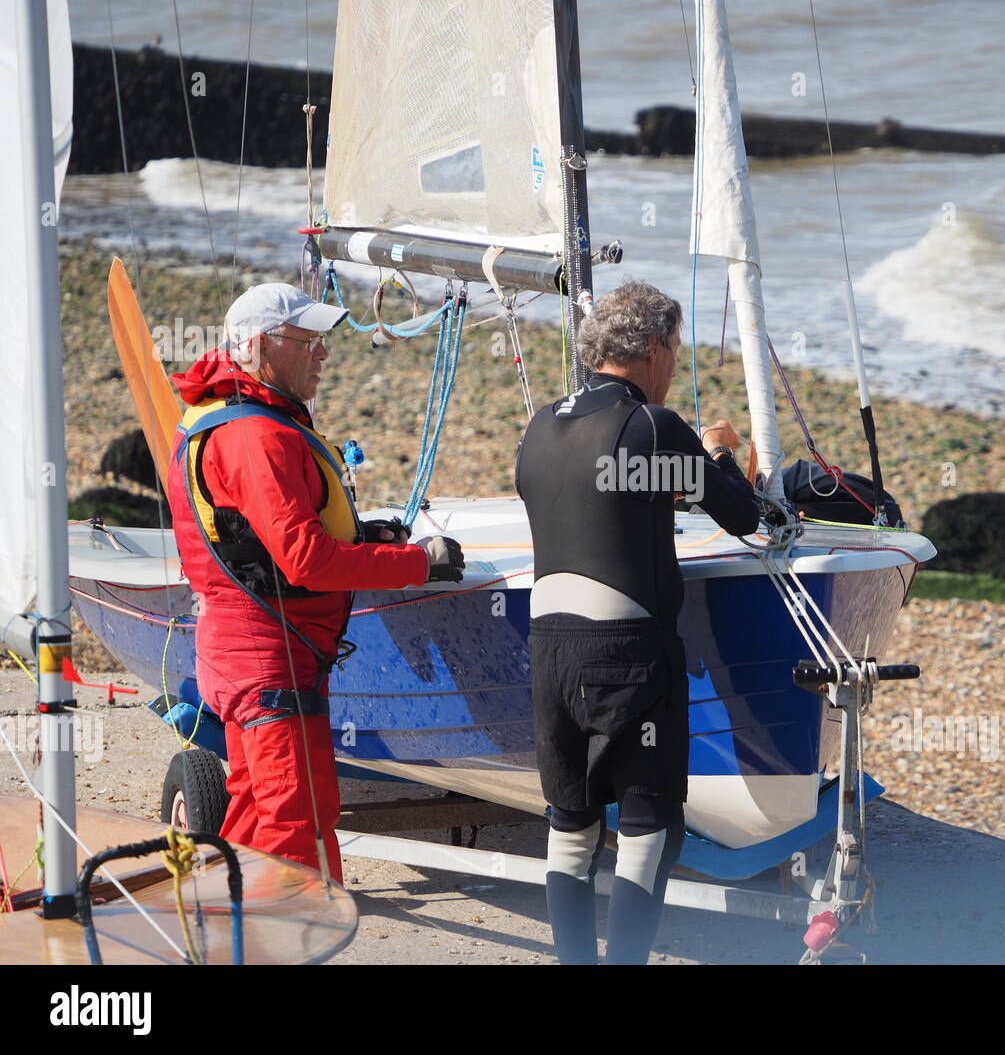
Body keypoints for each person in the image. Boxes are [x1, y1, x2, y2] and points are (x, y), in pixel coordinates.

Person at [167, 282, 464, 881]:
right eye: (308, 342)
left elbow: (274, 539)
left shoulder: (243, 422)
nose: (323, 354)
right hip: (265, 656)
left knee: (265, 805)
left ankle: (225, 924)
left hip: (253, 652)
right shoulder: (255, 436)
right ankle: (279, 938)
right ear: (256, 348)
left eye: (322, 341)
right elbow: (305, 559)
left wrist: (367, 540)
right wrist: (419, 564)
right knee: (291, 819)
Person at [516, 279, 760, 963]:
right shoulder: (653, 426)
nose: (675, 364)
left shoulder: (538, 427)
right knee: (651, 830)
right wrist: (718, 454)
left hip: (548, 656)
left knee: (572, 828)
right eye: (675, 349)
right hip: (625, 656)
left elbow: (602, 492)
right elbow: (740, 514)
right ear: (653, 348)